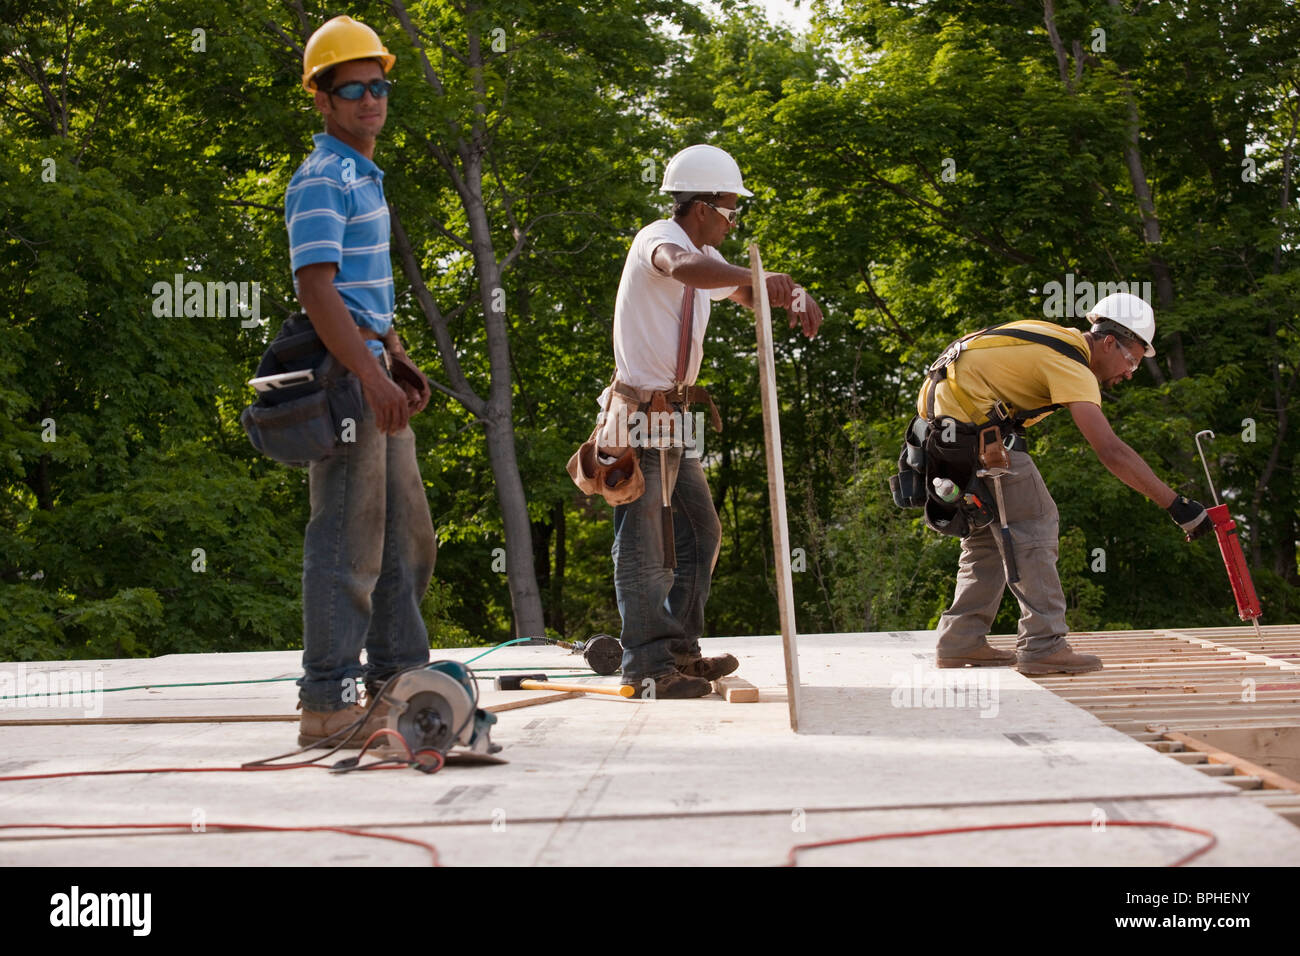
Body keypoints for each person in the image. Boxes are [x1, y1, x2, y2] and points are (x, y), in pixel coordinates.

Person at [602, 144, 824, 699]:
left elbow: (744, 291)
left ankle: (678, 649)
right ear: (699, 207)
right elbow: (685, 270)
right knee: (645, 545)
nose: (733, 222)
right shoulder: (660, 240)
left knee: (700, 533)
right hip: (640, 416)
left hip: (673, 419)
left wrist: (788, 292)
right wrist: (758, 273)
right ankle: (647, 665)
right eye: (730, 211)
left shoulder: (703, 256)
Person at [919, 293, 1210, 675]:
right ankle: (1043, 645)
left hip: (941, 438)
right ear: (1109, 342)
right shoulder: (1070, 362)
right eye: (1132, 361)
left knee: (987, 538)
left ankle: (960, 641)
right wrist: (1176, 505)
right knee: (1036, 522)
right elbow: (1110, 450)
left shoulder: (1052, 338)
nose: (1129, 374)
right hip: (975, 436)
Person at [287, 15, 435, 745]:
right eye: (352, 89)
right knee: (347, 539)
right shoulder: (322, 177)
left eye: (378, 85)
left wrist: (397, 361)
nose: (370, 99)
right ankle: (327, 704)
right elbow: (318, 290)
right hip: (345, 375)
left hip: (373, 362)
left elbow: (364, 295)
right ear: (323, 99)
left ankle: (398, 683)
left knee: (405, 537)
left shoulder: (363, 175)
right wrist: (370, 379)